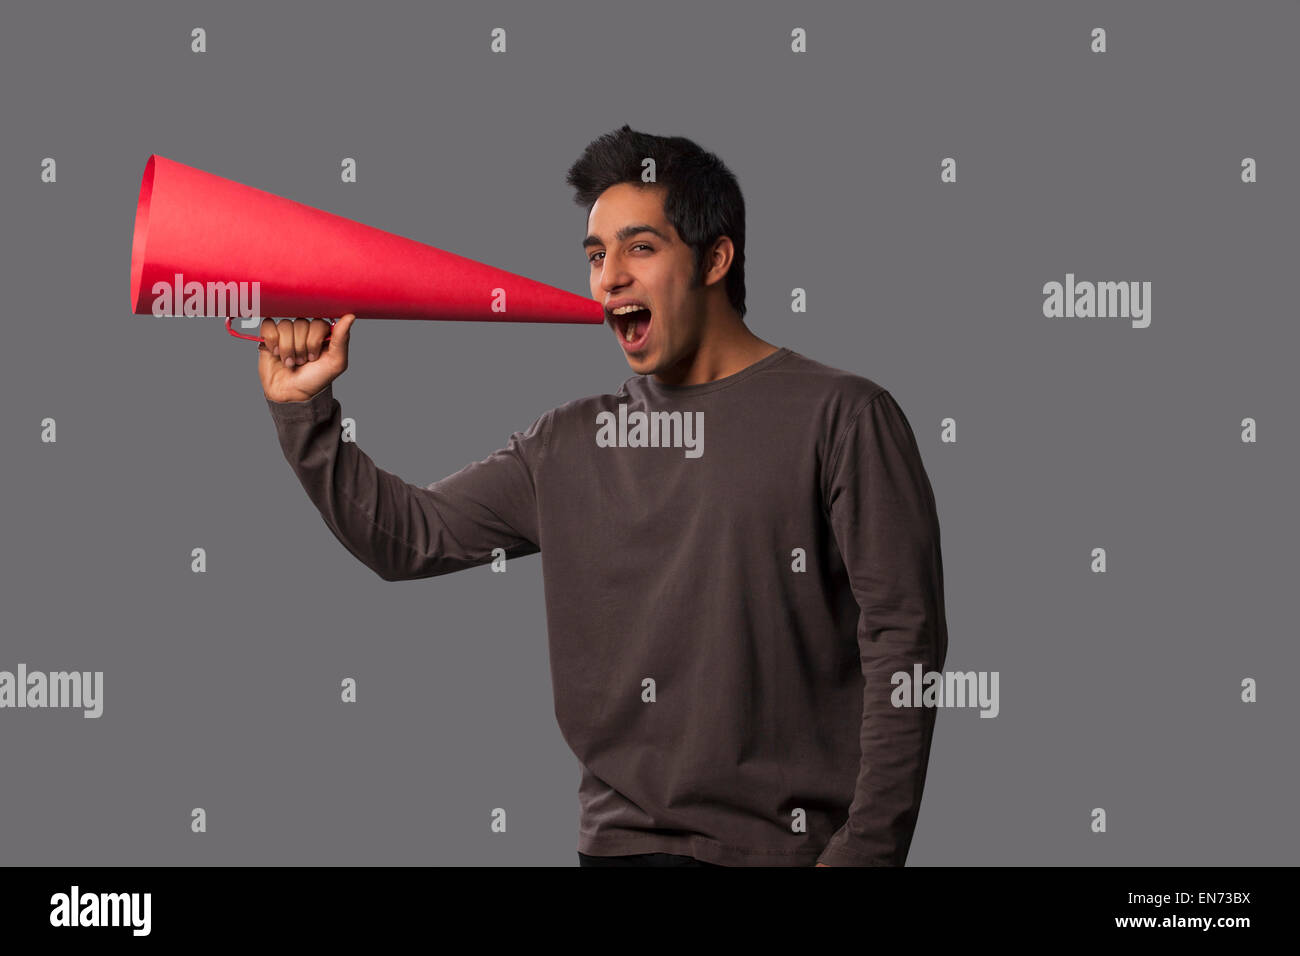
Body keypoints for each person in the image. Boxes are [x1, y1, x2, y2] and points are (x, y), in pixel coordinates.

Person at [259, 125, 949, 867]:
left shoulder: (844, 416)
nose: (607, 278)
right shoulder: (568, 442)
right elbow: (403, 538)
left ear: (715, 258)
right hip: (617, 855)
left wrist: (866, 855)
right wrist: (308, 413)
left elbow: (904, 640)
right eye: (595, 255)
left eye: (640, 247)